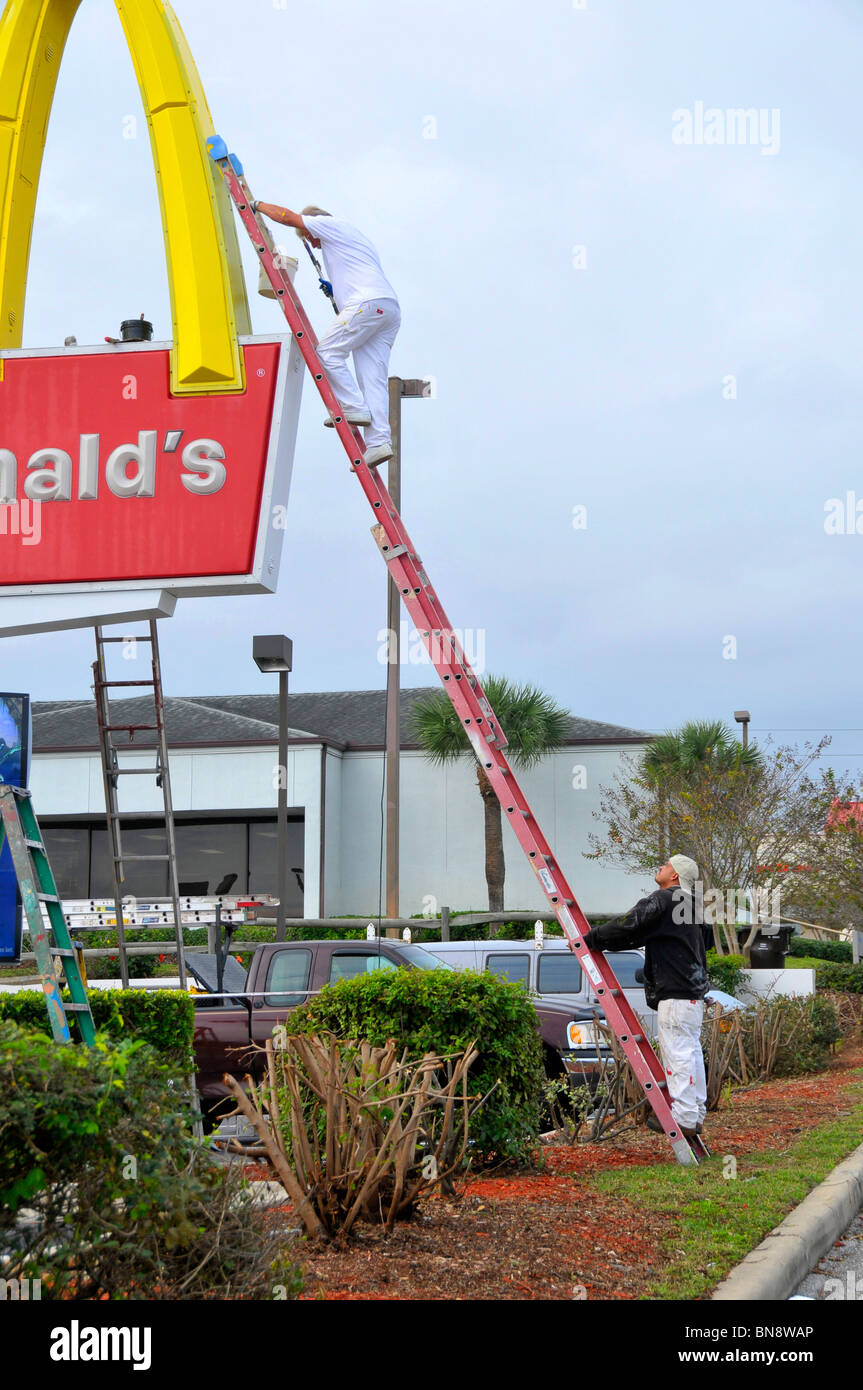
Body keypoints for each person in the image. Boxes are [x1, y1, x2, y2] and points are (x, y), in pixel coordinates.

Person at [253, 199, 400, 467]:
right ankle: (379, 441)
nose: (314, 244)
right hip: (386, 307)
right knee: (372, 377)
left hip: (367, 304)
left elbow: (288, 217)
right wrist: (336, 290)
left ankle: (353, 407)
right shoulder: (353, 237)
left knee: (327, 352)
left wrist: (256, 205)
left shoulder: (327, 224)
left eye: (310, 238)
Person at [580, 854, 708, 1139]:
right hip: (691, 994)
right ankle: (695, 1113)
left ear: (674, 876)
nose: (660, 868)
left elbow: (630, 923)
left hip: (676, 994)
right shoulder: (693, 908)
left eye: (666, 865)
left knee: (679, 1054)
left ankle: (684, 1117)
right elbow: (647, 935)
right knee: (691, 1052)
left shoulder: (665, 900)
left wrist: (589, 939)